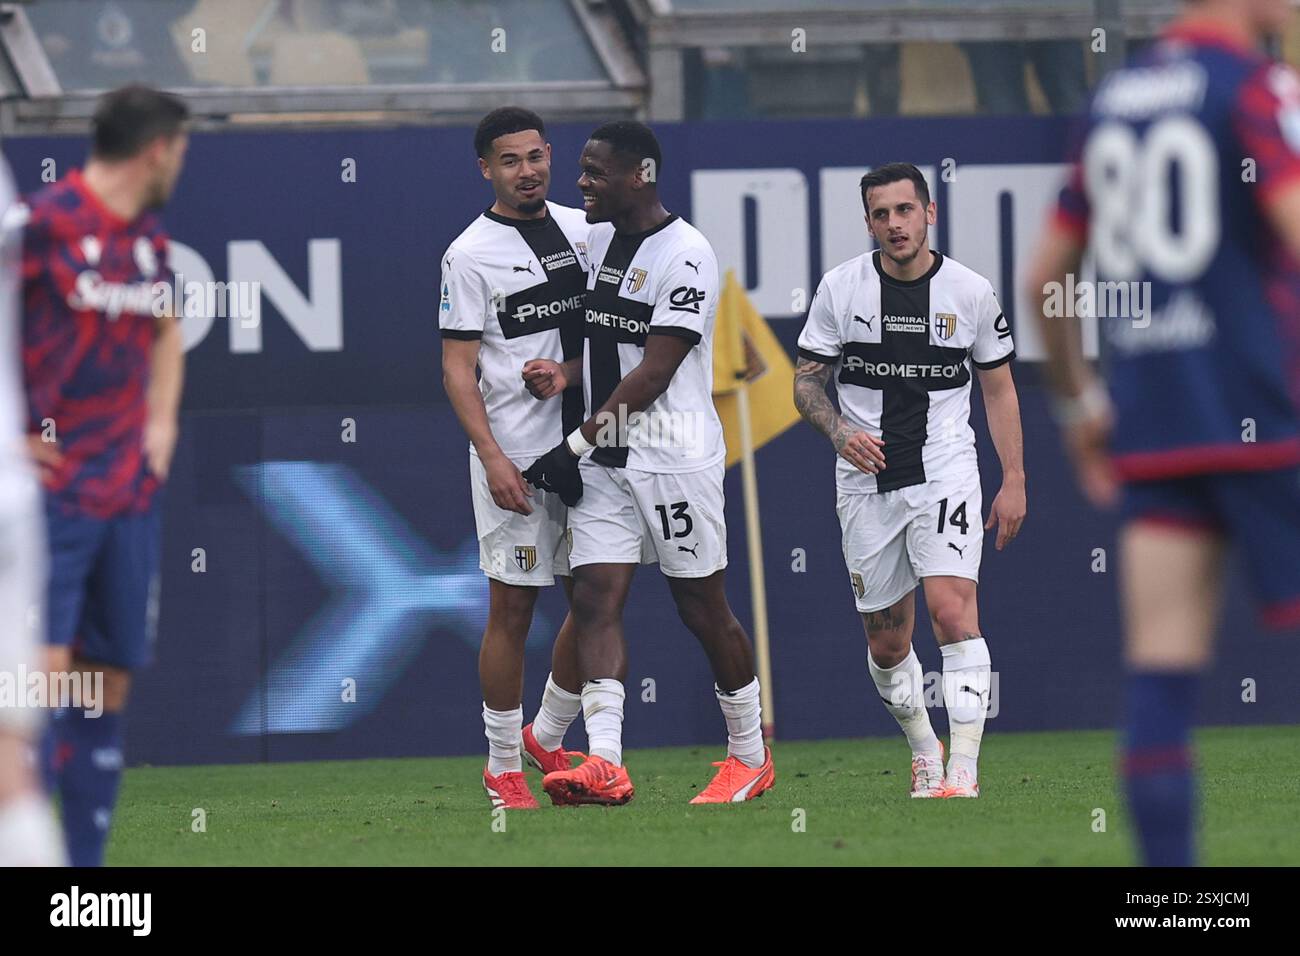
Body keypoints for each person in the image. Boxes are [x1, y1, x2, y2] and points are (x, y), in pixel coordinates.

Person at [1025, 0, 1300, 865]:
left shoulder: (1113, 103)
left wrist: (1079, 410)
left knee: (1161, 680)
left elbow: (1042, 281)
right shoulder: (1255, 88)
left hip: (1161, 422)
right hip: (1276, 414)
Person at [523, 121, 774, 806]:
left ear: (642, 174)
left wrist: (572, 444)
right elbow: (539, 230)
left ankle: (749, 757)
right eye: (580, 169)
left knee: (702, 607)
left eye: (596, 172)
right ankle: (605, 761)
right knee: (595, 598)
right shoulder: (597, 237)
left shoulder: (687, 255)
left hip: (673, 459)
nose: (583, 183)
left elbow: (656, 371)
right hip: (606, 461)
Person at [794, 162, 1025, 799]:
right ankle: (926, 748)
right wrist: (841, 433)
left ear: (929, 213)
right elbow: (806, 382)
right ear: (867, 222)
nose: (894, 225)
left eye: (904, 210)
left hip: (945, 467)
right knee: (888, 638)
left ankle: (964, 770)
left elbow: (1000, 389)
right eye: (880, 214)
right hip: (866, 479)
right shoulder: (841, 289)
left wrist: (1015, 480)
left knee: (953, 615)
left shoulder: (972, 292)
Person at [439, 107, 589, 810]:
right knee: (513, 611)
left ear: (549, 155)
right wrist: (491, 457)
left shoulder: (585, 229)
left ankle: (548, 732)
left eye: (534, 157)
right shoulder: (468, 253)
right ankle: (502, 765)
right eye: (510, 161)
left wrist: (573, 372)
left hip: (589, 449)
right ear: (485, 170)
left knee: (598, 601)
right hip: (519, 457)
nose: (526, 171)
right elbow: (457, 368)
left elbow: (613, 334)